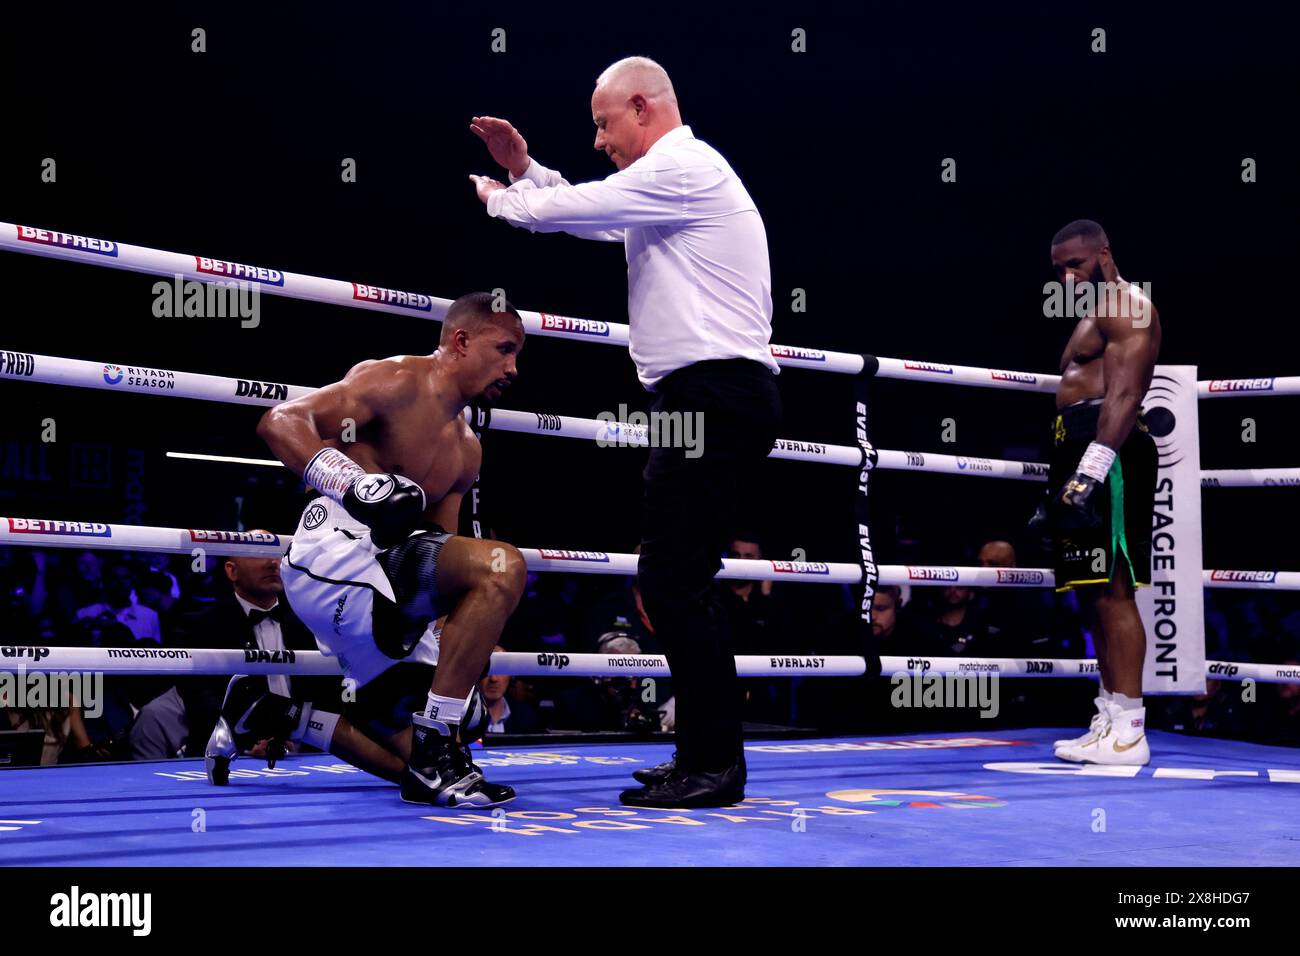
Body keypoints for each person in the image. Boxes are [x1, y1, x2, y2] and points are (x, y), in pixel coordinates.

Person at [471, 56, 781, 808]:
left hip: (711, 393)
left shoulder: (683, 166)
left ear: (643, 107)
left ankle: (713, 767)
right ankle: (702, 757)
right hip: (708, 393)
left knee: (673, 581)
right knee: (677, 579)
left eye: (605, 123)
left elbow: (573, 209)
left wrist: (503, 200)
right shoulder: (673, 181)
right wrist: (528, 169)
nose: (601, 140)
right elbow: (600, 214)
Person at [262, 292, 526, 807]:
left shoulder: (467, 449)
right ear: (461, 340)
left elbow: (442, 549)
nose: (513, 368)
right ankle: (430, 746)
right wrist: (354, 484)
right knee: (502, 564)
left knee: (454, 725)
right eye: (505, 349)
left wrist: (450, 638)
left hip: (390, 577)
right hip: (331, 553)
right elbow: (280, 421)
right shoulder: (396, 380)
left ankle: (281, 713)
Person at [1030, 219, 1161, 765]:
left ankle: (1130, 729)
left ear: (1103, 254)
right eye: (1059, 268)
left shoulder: (1128, 305)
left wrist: (1093, 468)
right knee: (1090, 590)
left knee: (1114, 588)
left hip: (1109, 447)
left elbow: (1127, 392)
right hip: (1077, 444)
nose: (1066, 276)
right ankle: (1109, 715)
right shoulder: (1093, 310)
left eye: (1076, 264)